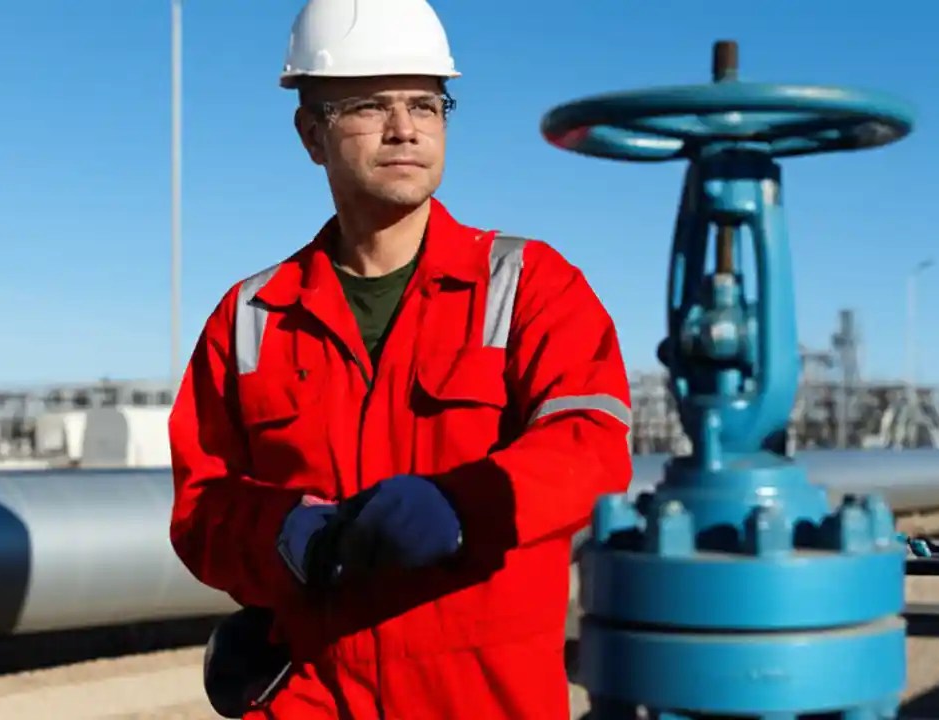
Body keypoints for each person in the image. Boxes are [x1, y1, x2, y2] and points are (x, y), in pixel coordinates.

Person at [167, 0, 634, 717]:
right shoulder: (252, 317)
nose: (405, 128)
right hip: (312, 696)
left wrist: (461, 505)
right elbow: (203, 505)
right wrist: (282, 533)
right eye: (368, 105)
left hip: (482, 701)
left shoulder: (528, 283)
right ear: (310, 133)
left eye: (426, 103)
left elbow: (592, 442)